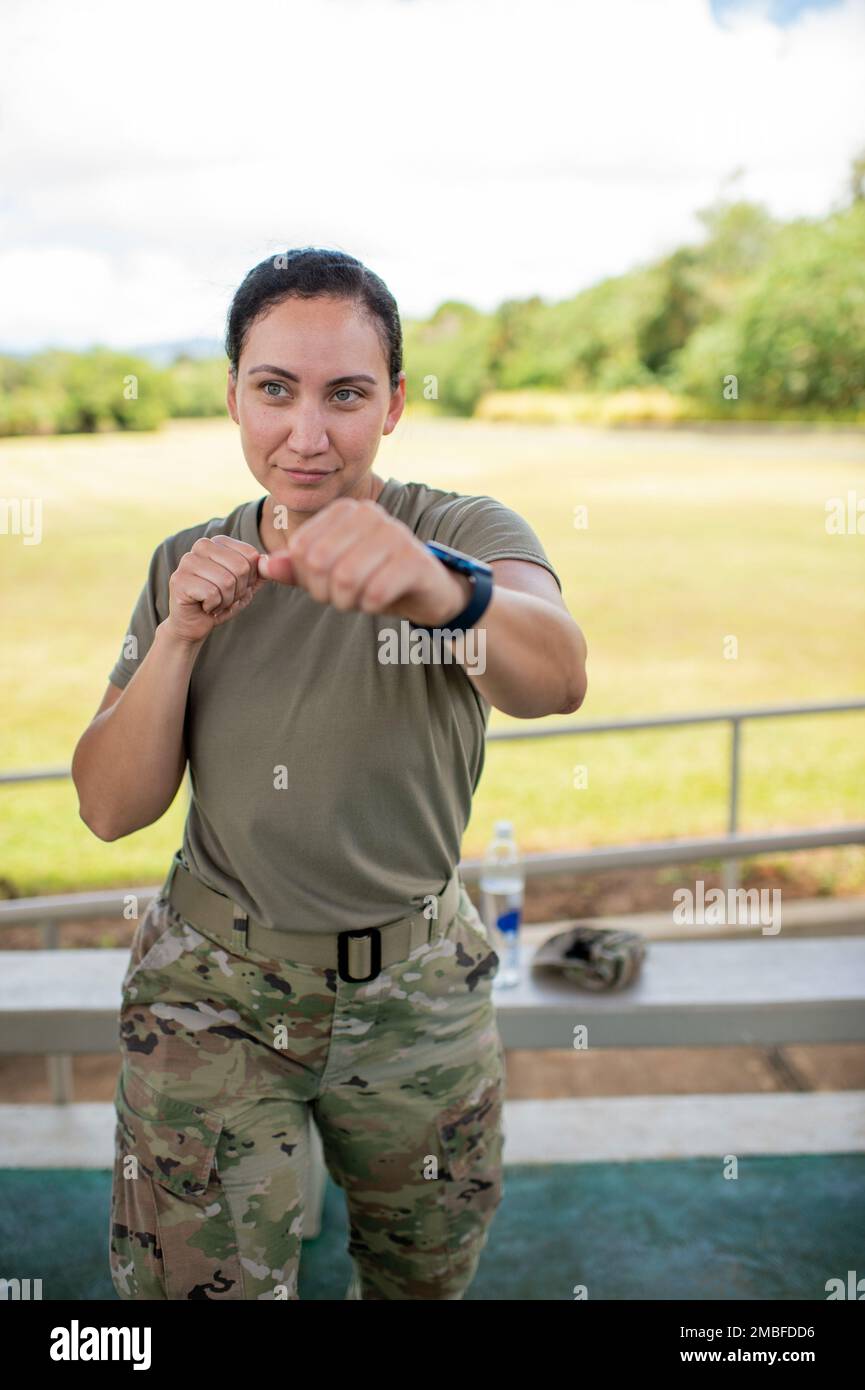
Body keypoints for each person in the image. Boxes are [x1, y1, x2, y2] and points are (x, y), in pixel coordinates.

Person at [72, 247, 588, 1301]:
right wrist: (178, 637)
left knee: (421, 1276)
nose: (306, 435)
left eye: (345, 394)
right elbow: (109, 806)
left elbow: (558, 675)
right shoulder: (188, 562)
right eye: (274, 391)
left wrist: (446, 595)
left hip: (417, 985)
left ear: (393, 403)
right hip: (213, 987)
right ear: (233, 395)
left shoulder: (463, 535)